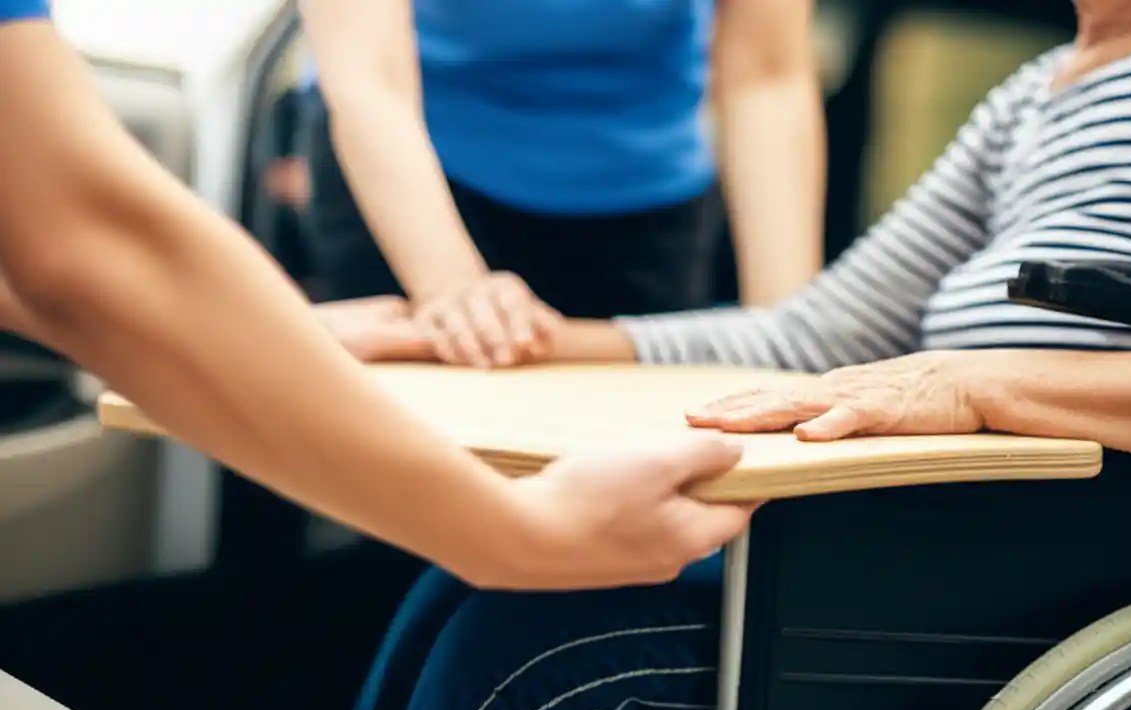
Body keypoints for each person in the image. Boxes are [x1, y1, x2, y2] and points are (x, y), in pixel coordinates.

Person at [325, 0, 1131, 710]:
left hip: (1049, 582)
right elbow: (810, 336)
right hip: (902, 555)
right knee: (482, 567)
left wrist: (986, 383)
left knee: (532, 637)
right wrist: (507, 341)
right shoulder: (1031, 100)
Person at [0, 1, 756, 592]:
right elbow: (77, 245)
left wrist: (287, 333)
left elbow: (51, 253)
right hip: (438, 177)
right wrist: (516, 537)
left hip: (647, 207)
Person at [299, 0, 825, 370]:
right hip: (418, 170)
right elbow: (371, 81)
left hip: (643, 191)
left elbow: (766, 79)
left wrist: (787, 336)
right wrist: (453, 290)